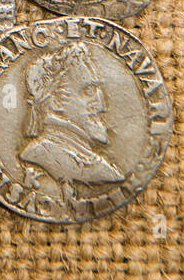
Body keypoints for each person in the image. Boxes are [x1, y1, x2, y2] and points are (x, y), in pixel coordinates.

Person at [18, 43, 124, 212]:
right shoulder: (40, 156)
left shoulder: (90, 160)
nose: (102, 105)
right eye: (89, 91)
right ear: (56, 102)